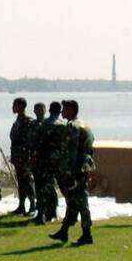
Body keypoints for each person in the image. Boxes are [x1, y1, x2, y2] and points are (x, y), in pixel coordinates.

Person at [50, 100, 95, 245]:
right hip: (84, 167)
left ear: (71, 110)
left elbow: (71, 152)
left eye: (65, 109)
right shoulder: (85, 125)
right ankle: (64, 231)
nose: (62, 112)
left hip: (76, 170)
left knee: (80, 201)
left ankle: (87, 234)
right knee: (73, 202)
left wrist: (69, 173)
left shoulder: (73, 127)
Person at [31, 99, 64, 224]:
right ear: (60, 111)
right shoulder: (63, 125)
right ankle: (53, 212)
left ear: (49, 110)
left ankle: (42, 213)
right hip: (58, 160)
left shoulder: (43, 125)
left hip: (43, 159)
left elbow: (36, 143)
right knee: (54, 186)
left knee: (42, 186)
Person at [8, 98, 36, 215]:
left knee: (28, 181)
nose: (13, 108)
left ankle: (33, 205)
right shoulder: (18, 120)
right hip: (17, 156)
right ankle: (22, 205)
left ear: (21, 106)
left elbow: (30, 139)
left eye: (14, 105)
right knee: (21, 182)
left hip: (25, 157)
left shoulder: (28, 121)